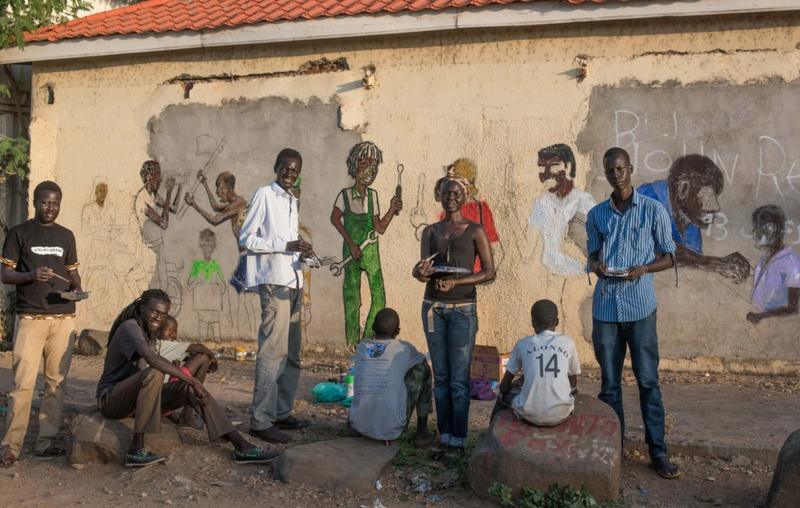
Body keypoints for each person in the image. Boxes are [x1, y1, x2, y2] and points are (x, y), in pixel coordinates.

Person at [96, 289, 274, 467]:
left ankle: (241, 446)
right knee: (157, 373)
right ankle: (136, 450)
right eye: (154, 312)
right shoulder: (130, 327)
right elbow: (151, 361)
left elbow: (146, 367)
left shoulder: (149, 333)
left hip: (136, 402)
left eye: (163, 314)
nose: (158, 318)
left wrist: (188, 383)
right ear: (142, 308)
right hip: (111, 400)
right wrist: (192, 380)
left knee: (190, 391)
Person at [586, 147, 680, 479]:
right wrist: (598, 266)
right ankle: (615, 452)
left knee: (648, 382)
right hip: (606, 308)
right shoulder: (597, 214)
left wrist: (644, 269)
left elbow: (670, 256)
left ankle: (658, 452)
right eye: (611, 170)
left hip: (640, 307)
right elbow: (593, 257)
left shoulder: (654, 211)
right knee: (609, 385)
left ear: (630, 169)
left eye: (621, 168)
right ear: (605, 172)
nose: (616, 174)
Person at [412, 168, 496, 461]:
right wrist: (420, 273)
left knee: (459, 380)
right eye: (447, 193)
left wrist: (456, 282)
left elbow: (489, 272)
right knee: (442, 377)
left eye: (457, 193)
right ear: (439, 196)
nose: (451, 197)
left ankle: (458, 443)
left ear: (465, 198)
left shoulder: (475, 230)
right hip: (434, 308)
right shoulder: (430, 231)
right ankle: (444, 437)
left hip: (462, 311)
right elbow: (421, 270)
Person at [0, 181, 83, 467]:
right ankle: (11, 446)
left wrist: (76, 289)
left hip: (63, 319)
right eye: (46, 202)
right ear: (36, 202)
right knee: (22, 385)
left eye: (56, 203)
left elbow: (73, 274)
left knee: (55, 384)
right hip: (30, 318)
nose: (51, 208)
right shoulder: (19, 233)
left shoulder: (67, 236)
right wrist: (31, 275)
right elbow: (5, 275)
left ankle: (45, 442)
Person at [239, 148, 314, 444]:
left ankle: (281, 412)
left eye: (294, 170)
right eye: (285, 168)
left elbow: (289, 245)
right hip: (273, 283)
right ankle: (260, 420)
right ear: (276, 166)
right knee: (273, 352)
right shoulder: (264, 195)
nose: (289, 173)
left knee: (292, 353)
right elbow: (246, 238)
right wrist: (286, 244)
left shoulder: (292, 199)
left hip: (293, 280)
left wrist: (304, 254)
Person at [330, 141, 402, 348]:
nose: (370, 171)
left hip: (371, 251)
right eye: (365, 164)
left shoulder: (373, 196)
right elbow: (335, 219)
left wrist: (391, 210)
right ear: (355, 166)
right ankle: (352, 343)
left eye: (374, 167)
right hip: (352, 252)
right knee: (352, 296)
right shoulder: (344, 195)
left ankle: (368, 339)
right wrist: (351, 244)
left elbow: (379, 228)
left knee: (379, 296)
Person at [638, 154, 749, 283]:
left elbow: (691, 269)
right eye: (708, 196)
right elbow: (655, 248)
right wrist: (715, 264)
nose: (715, 206)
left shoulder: (690, 224)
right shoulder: (647, 198)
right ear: (683, 189)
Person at [347, 308, 436, 446]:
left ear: (372, 327)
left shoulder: (362, 348)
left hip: (358, 425)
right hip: (391, 429)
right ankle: (422, 432)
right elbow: (421, 361)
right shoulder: (403, 349)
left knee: (368, 377)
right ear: (398, 331)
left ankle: (357, 420)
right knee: (422, 367)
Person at [492, 300, 580, 426]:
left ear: (533, 323)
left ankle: (492, 434)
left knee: (503, 396)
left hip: (529, 414)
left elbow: (504, 386)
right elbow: (573, 383)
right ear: (557, 322)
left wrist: (515, 385)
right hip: (561, 413)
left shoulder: (523, 344)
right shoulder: (568, 342)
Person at [529, 144, 595, 276]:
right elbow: (533, 246)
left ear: (568, 167)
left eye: (554, 166)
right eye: (542, 168)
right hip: (545, 277)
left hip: (579, 279)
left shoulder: (584, 203)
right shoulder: (541, 203)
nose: (546, 174)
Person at [437, 159, 501, 272]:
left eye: (455, 180)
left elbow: (495, 246)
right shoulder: (446, 210)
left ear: (466, 184)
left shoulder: (482, 209)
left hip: (475, 275)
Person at [158, 315, 220, 430]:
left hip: (163, 395)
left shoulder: (169, 345)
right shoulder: (162, 344)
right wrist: (213, 359)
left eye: (175, 331)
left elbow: (187, 355)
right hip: (161, 396)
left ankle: (178, 414)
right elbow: (200, 348)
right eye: (168, 330)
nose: (172, 334)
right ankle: (186, 416)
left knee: (188, 361)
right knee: (203, 358)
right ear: (158, 330)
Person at [747, 205, 800, 323]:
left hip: (774, 326)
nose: (753, 233)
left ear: (770, 229)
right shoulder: (764, 259)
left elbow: (793, 309)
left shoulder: (792, 263)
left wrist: (762, 316)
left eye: (756, 228)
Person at [184, 170, 248, 246]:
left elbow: (215, 220)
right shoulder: (235, 203)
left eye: (219, 187)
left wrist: (194, 204)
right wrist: (205, 184)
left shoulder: (238, 203)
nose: (217, 192)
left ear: (229, 188)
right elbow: (215, 207)